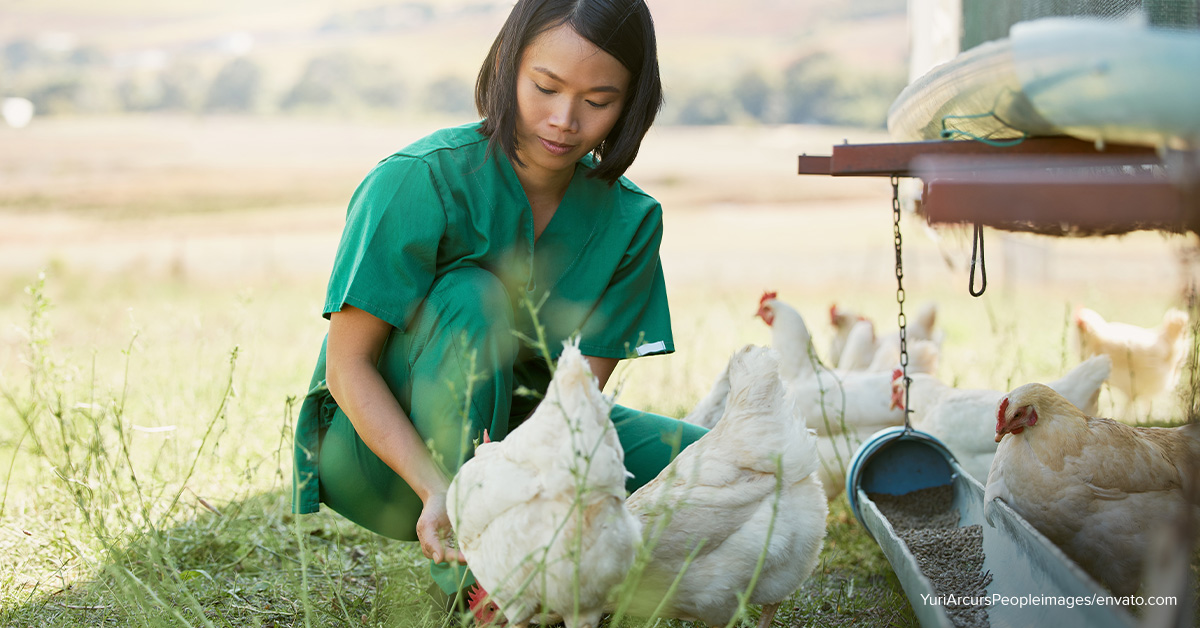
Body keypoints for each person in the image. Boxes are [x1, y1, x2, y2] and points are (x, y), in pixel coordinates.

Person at [291, 0, 707, 604]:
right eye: (545, 87)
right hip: (384, 460)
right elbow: (346, 368)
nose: (565, 119)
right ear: (508, 66)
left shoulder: (632, 220)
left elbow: (571, 411)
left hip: (523, 443)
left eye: (598, 101)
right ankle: (479, 586)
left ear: (632, 103)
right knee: (473, 293)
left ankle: (590, 576)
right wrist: (444, 492)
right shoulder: (417, 179)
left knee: (716, 464)